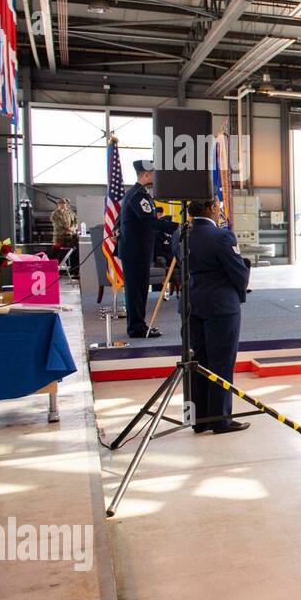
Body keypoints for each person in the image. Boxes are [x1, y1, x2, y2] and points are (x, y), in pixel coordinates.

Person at [175, 198, 251, 435]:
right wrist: (245, 266)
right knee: (221, 363)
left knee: (197, 362)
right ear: (211, 208)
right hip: (220, 306)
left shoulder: (182, 235)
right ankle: (220, 419)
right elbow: (240, 275)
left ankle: (198, 419)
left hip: (191, 303)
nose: (220, 210)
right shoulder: (222, 237)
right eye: (217, 205)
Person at [117, 159, 179, 338]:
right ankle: (137, 328)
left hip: (137, 250)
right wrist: (176, 227)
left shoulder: (138, 194)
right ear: (145, 174)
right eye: (153, 173)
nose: (155, 177)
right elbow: (149, 221)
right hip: (136, 252)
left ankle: (138, 325)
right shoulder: (138, 195)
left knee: (138, 289)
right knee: (136, 290)